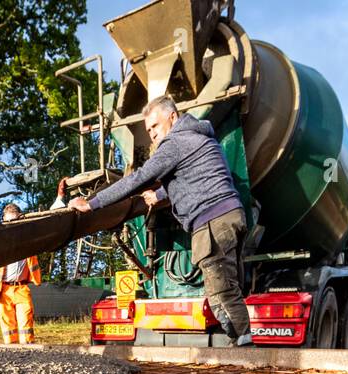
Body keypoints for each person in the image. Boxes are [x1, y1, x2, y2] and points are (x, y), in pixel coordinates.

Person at [68, 95, 255, 346]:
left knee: (220, 292)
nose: (152, 134)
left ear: (173, 117)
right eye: (148, 130)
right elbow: (193, 177)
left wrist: (92, 203)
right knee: (228, 285)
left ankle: (246, 349)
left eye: (154, 126)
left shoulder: (174, 143)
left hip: (211, 221)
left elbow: (138, 178)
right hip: (232, 215)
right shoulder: (202, 138)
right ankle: (242, 343)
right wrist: (159, 194)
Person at [0, 203, 41, 345]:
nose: (11, 224)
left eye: (14, 221)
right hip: (3, 289)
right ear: (3, 220)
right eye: (8, 221)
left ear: (20, 219)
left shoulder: (29, 240)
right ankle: (10, 350)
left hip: (22, 288)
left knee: (26, 321)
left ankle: (27, 349)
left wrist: (59, 196)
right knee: (7, 323)